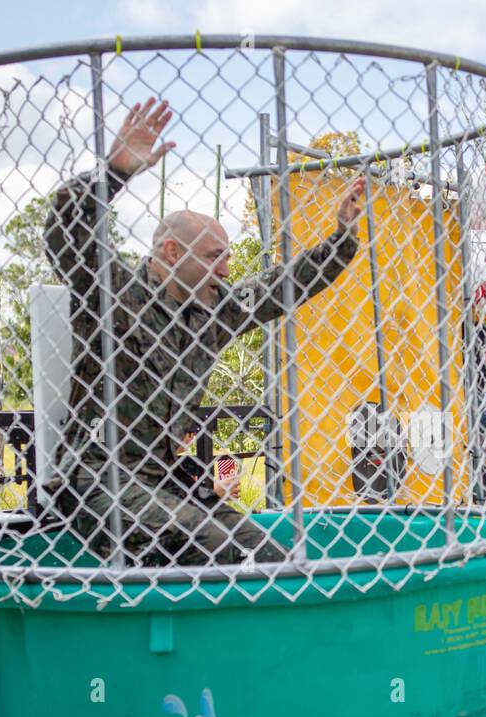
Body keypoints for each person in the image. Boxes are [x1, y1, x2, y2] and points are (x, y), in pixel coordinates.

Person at [43, 97, 364, 566]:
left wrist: (342, 240)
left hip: (165, 474)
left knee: (269, 554)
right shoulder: (111, 287)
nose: (227, 266)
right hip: (99, 473)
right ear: (171, 253)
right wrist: (113, 172)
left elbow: (282, 286)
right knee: (213, 546)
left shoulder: (216, 310)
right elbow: (65, 231)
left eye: (227, 255)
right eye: (215, 255)